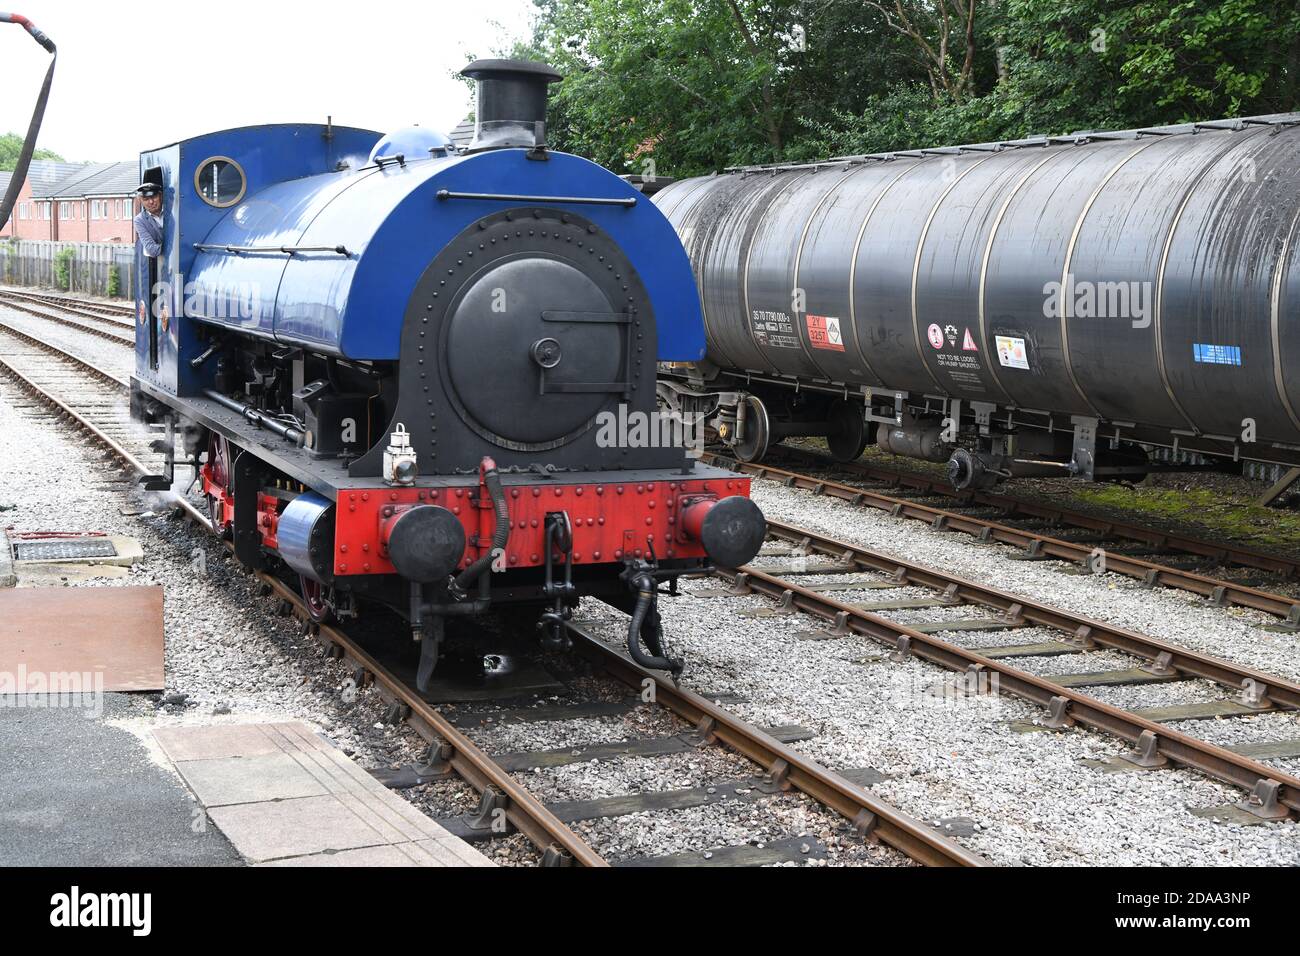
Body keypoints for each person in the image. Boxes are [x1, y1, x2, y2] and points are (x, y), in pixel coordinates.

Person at [133, 183, 163, 258]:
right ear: (140, 201)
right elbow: (152, 250)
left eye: (154, 197)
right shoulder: (139, 220)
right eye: (146, 199)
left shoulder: (173, 211)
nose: (151, 202)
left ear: (160, 195)